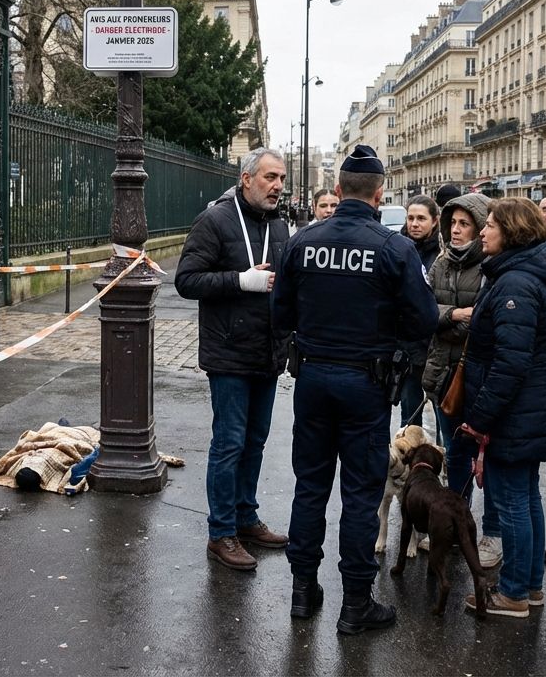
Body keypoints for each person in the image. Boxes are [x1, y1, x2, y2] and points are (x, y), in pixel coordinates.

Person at [272, 143, 436, 634]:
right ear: (380, 193)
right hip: (367, 382)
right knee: (362, 495)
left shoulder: (303, 242)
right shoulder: (394, 248)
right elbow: (425, 318)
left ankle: (304, 591)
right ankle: (356, 603)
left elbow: (280, 314)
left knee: (311, 487)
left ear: (338, 190)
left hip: (315, 378)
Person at [174, 147, 291, 572]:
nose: (278, 185)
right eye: (270, 177)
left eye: (281, 178)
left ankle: (245, 517)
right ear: (246, 179)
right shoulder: (216, 220)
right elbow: (186, 280)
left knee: (255, 442)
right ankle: (221, 532)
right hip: (228, 355)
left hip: (267, 352)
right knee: (229, 444)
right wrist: (241, 280)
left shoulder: (278, 225)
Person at [459, 198, 546, 618]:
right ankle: (532, 584)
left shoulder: (515, 284)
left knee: (511, 503)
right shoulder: (527, 272)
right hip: (531, 407)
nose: (482, 232)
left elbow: (510, 362)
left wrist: (480, 418)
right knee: (525, 497)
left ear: (512, 232)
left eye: (489, 225)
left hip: (514, 412)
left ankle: (514, 592)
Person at [421, 192, 502, 568]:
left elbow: (485, 323)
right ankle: (455, 522)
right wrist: (453, 315)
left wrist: (450, 321)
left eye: (465, 224)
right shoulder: (439, 264)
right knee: (455, 454)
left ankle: (493, 532)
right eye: (452, 223)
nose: (456, 230)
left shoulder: (491, 265)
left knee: (489, 455)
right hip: (443, 375)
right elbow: (423, 312)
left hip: (478, 376)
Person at [399, 195, 440, 429]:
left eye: (421, 219)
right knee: (410, 417)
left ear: (434, 221)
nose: (414, 224)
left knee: (442, 417)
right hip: (407, 347)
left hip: (435, 347)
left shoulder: (442, 255)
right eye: (411, 218)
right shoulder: (399, 248)